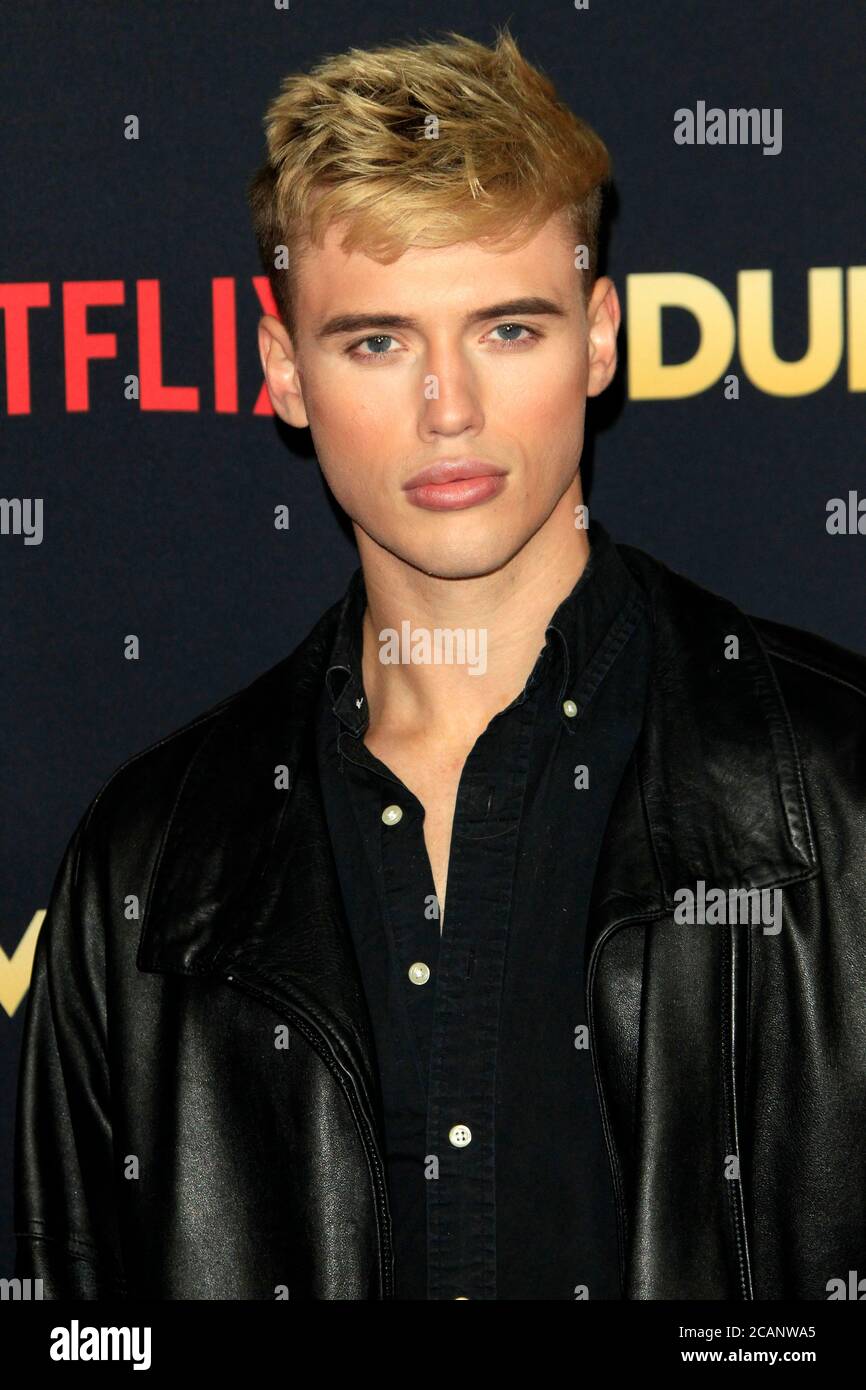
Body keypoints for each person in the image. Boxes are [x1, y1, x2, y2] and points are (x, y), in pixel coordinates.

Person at [14, 28, 866, 1301]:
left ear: (598, 336)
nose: (447, 407)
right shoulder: (146, 868)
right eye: (375, 343)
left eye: (506, 329)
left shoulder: (840, 797)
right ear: (280, 369)